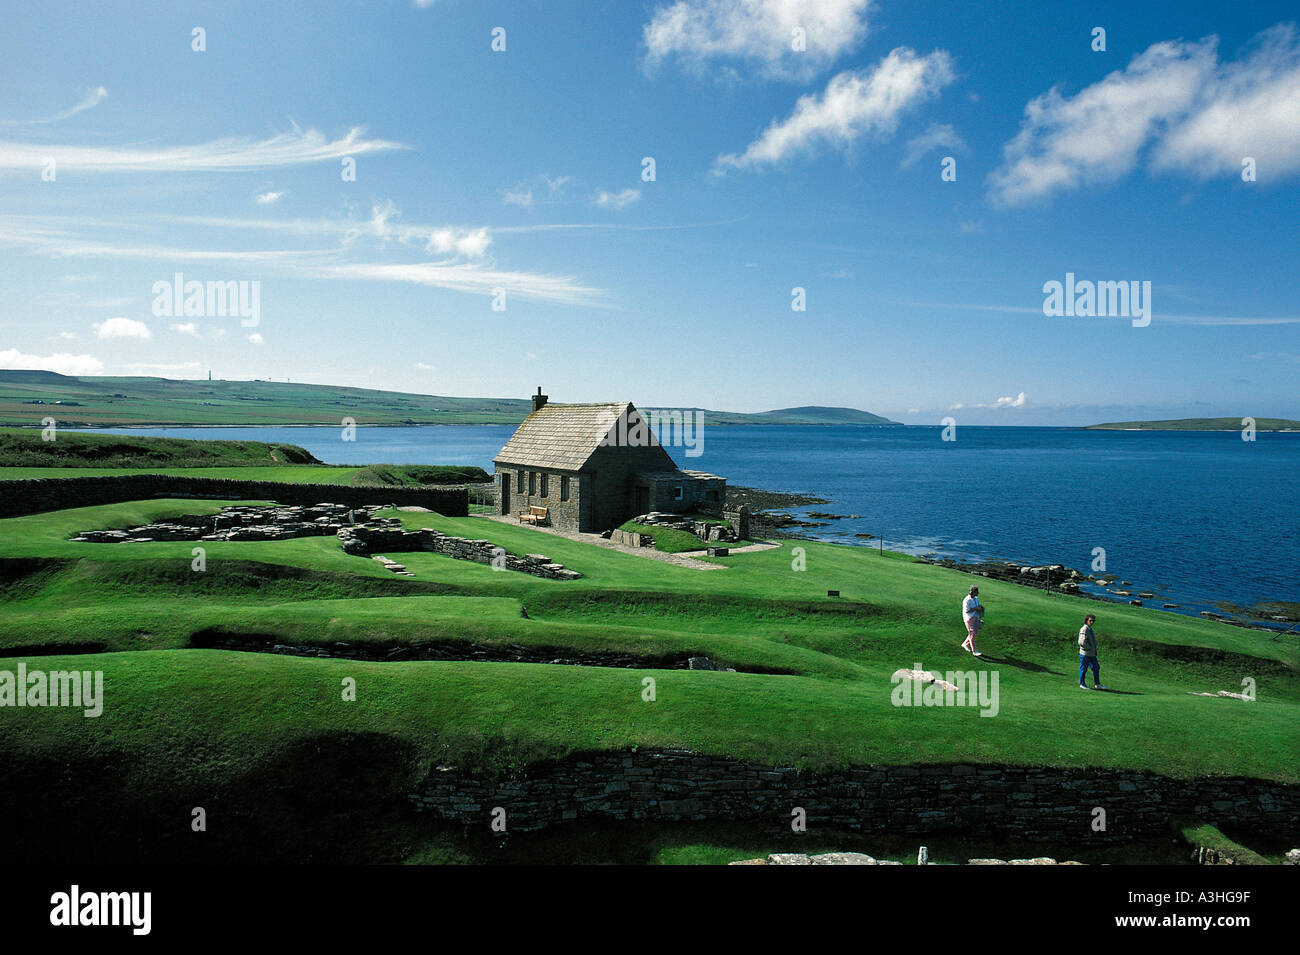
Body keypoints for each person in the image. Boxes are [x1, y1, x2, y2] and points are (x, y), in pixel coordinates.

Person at [1078, 613, 1107, 690]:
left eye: (1093, 621)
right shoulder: (1084, 629)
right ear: (1086, 620)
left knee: (1096, 667)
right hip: (1085, 654)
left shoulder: (1089, 629)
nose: (1092, 622)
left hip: (1091, 654)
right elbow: (1081, 642)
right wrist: (1089, 648)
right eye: (1090, 620)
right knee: (1084, 668)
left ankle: (1097, 684)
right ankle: (1082, 684)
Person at [961, 585, 984, 656]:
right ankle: (974, 651)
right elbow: (967, 611)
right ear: (973, 592)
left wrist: (980, 608)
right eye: (977, 592)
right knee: (972, 634)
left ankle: (964, 644)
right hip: (969, 618)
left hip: (975, 617)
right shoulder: (967, 600)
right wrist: (976, 608)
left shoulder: (976, 598)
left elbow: (977, 606)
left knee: (975, 633)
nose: (978, 593)